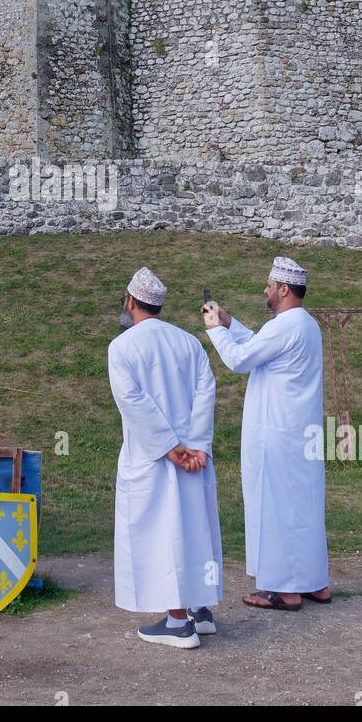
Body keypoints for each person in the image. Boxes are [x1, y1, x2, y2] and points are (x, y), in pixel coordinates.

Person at [202, 257, 330, 610]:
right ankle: (315, 583)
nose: (265, 290)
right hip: (301, 434)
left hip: (277, 436)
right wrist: (230, 323)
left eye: (269, 285)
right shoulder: (306, 325)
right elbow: (261, 345)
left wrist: (214, 328)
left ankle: (284, 590)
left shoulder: (285, 326)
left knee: (276, 509)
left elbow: (240, 360)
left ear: (284, 289)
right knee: (305, 508)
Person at [109, 266, 223, 649]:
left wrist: (171, 448)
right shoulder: (189, 342)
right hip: (191, 458)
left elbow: (133, 403)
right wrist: (196, 446)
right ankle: (199, 609)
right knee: (195, 527)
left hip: (154, 458)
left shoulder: (122, 347)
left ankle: (178, 622)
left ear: (130, 301)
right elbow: (206, 391)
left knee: (165, 535)